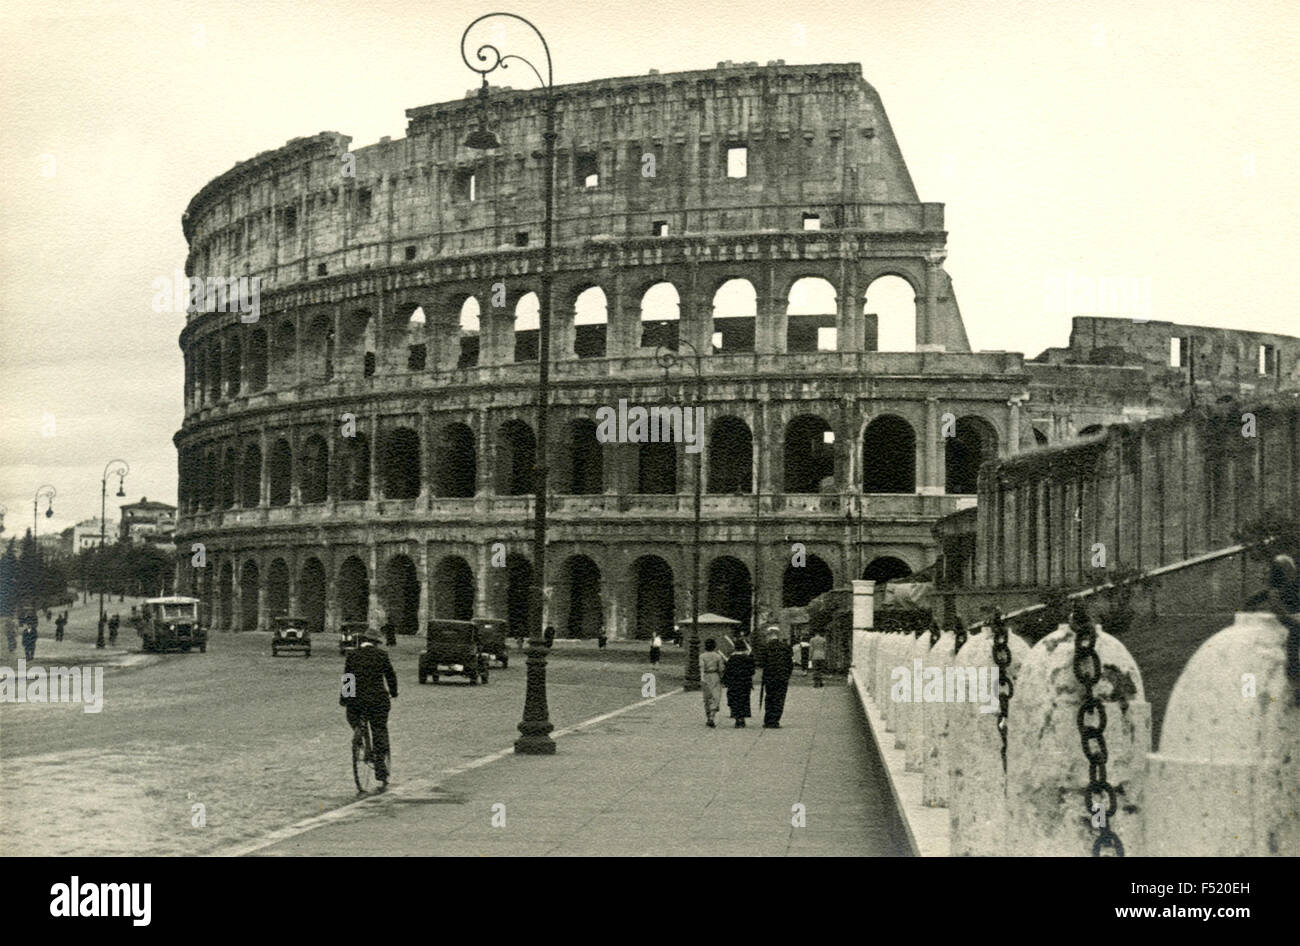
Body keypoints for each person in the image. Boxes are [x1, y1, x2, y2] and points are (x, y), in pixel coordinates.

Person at [340, 630, 398, 787]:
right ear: (376, 643)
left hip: (357, 701)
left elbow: (348, 678)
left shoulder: (352, 655)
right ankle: (380, 767)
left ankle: (361, 736)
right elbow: (390, 676)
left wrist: (345, 699)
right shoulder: (381, 655)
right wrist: (393, 692)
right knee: (379, 729)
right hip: (377, 700)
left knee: (353, 718)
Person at [759, 627, 793, 728]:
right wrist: (787, 675)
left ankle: (768, 720)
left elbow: (761, 662)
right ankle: (775, 720)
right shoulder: (786, 647)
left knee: (769, 697)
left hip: (769, 676)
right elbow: (790, 663)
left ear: (769, 635)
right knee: (780, 698)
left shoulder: (765, 647)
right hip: (782, 677)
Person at [722, 637, 756, 727]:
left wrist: (725, 682)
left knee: (735, 699)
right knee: (744, 699)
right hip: (745, 682)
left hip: (733, 683)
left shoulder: (731, 659)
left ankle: (737, 718)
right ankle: (743, 718)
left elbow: (727, 671)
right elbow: (752, 671)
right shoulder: (747, 658)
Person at [699, 638, 726, 728]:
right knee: (716, 697)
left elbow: (701, 667)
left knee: (707, 698)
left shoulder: (702, 656)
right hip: (715, 676)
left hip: (706, 677)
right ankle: (712, 717)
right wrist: (722, 679)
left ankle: (708, 716)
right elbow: (721, 669)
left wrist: (702, 677)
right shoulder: (718, 656)